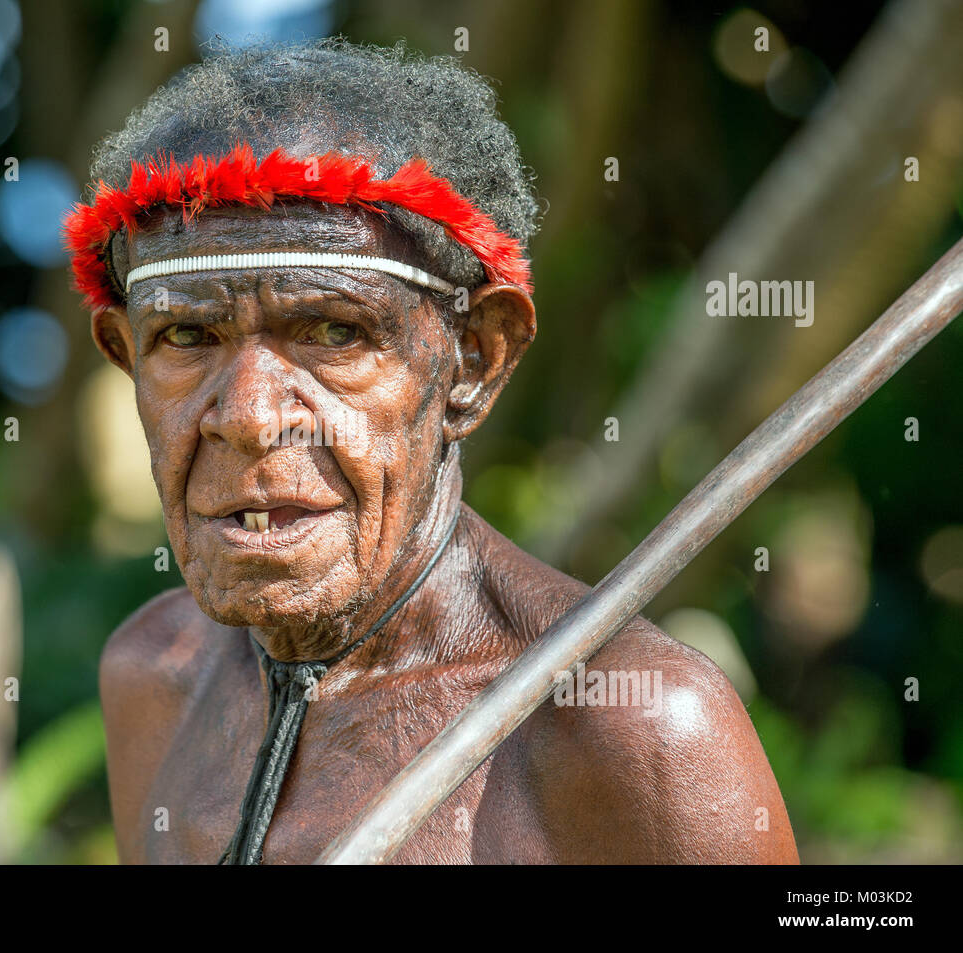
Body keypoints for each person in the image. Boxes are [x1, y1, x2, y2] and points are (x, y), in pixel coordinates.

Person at [64, 38, 798, 864]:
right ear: (124, 353)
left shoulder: (631, 727)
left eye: (333, 331)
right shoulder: (152, 675)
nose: (248, 417)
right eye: (186, 336)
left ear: (476, 360)